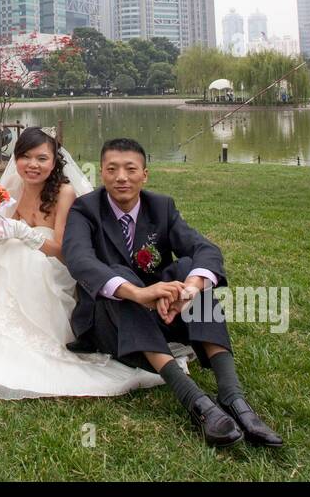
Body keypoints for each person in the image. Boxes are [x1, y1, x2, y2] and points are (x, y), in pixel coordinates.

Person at [0, 127, 168, 399]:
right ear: (16, 159)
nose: (32, 165)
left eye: (41, 158)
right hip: (15, 259)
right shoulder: (10, 190)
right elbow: (3, 232)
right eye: (25, 157)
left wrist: (23, 233)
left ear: (54, 162)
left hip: (53, 266)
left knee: (22, 257)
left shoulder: (64, 192)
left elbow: (64, 251)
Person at [60, 138, 283, 449]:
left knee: (193, 270)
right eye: (112, 169)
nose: (121, 177)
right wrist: (138, 293)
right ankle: (196, 402)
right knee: (120, 277)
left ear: (145, 174)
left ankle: (232, 396)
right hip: (109, 323)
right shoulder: (85, 209)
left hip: (166, 314)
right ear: (102, 173)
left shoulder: (161, 206)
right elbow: (79, 259)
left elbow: (205, 248)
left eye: (130, 169)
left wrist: (189, 289)